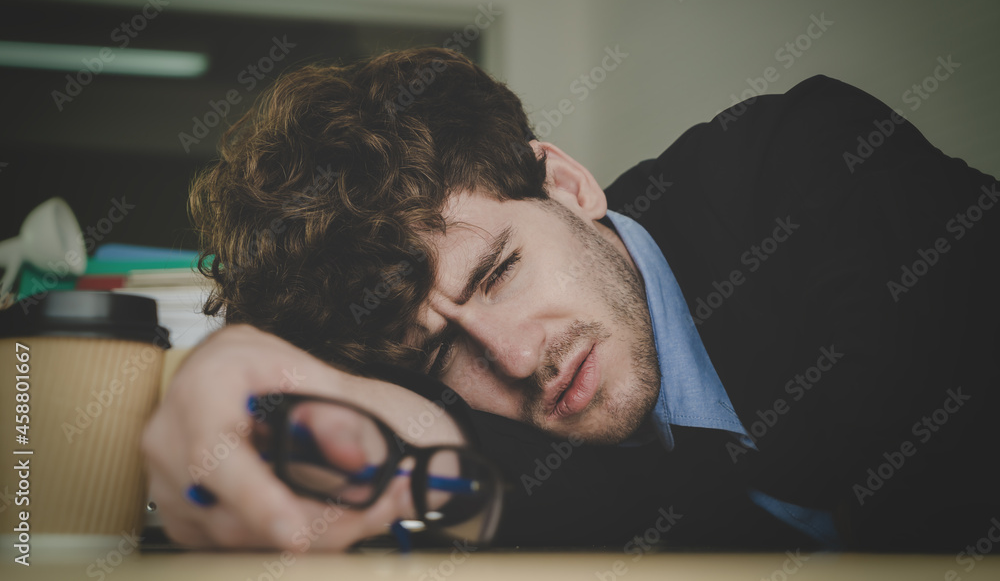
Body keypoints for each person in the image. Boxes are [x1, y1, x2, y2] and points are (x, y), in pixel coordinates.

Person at [145, 47, 1000, 552]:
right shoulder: (473, 428)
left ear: (566, 182)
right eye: (442, 350)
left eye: (499, 272)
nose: (519, 359)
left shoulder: (812, 162)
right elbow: (424, 452)